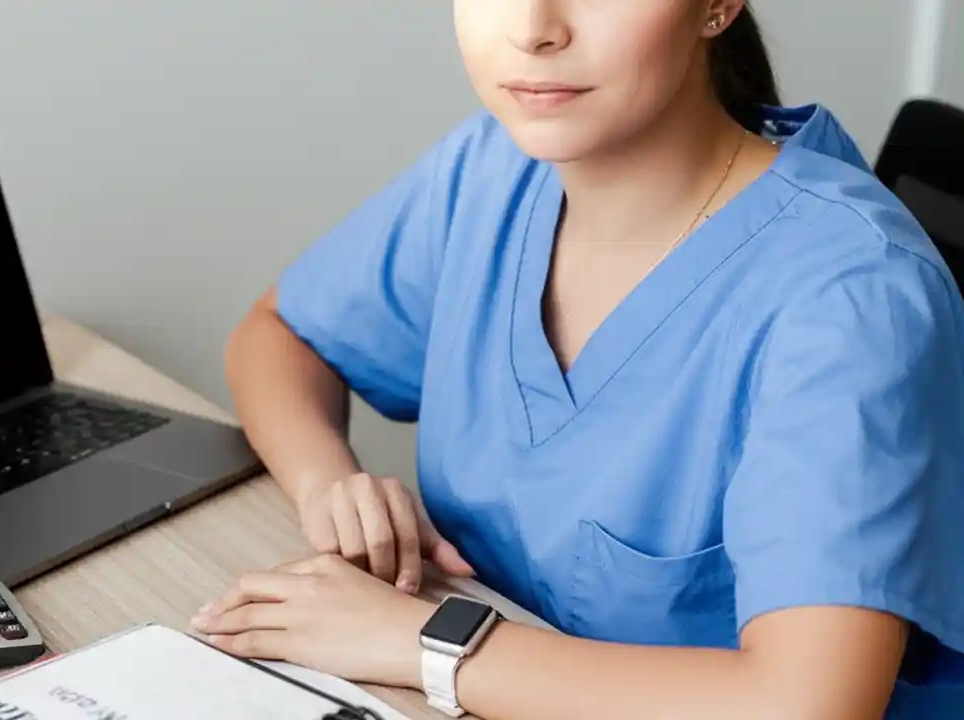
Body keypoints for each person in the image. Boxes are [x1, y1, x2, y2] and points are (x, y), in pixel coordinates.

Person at [192, 1, 964, 717]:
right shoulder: (492, 170)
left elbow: (806, 703)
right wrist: (329, 482)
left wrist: (417, 642)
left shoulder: (851, 294)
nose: (533, 28)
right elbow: (279, 332)